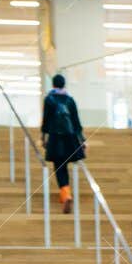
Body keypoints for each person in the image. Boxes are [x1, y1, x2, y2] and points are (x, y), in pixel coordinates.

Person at [41, 73, 85, 214]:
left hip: (55, 137)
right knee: (65, 165)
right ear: (64, 84)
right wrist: (81, 139)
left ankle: (66, 194)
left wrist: (43, 136)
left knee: (59, 166)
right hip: (70, 138)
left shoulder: (49, 99)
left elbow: (46, 120)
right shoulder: (70, 100)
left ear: (53, 85)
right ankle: (66, 194)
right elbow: (76, 121)